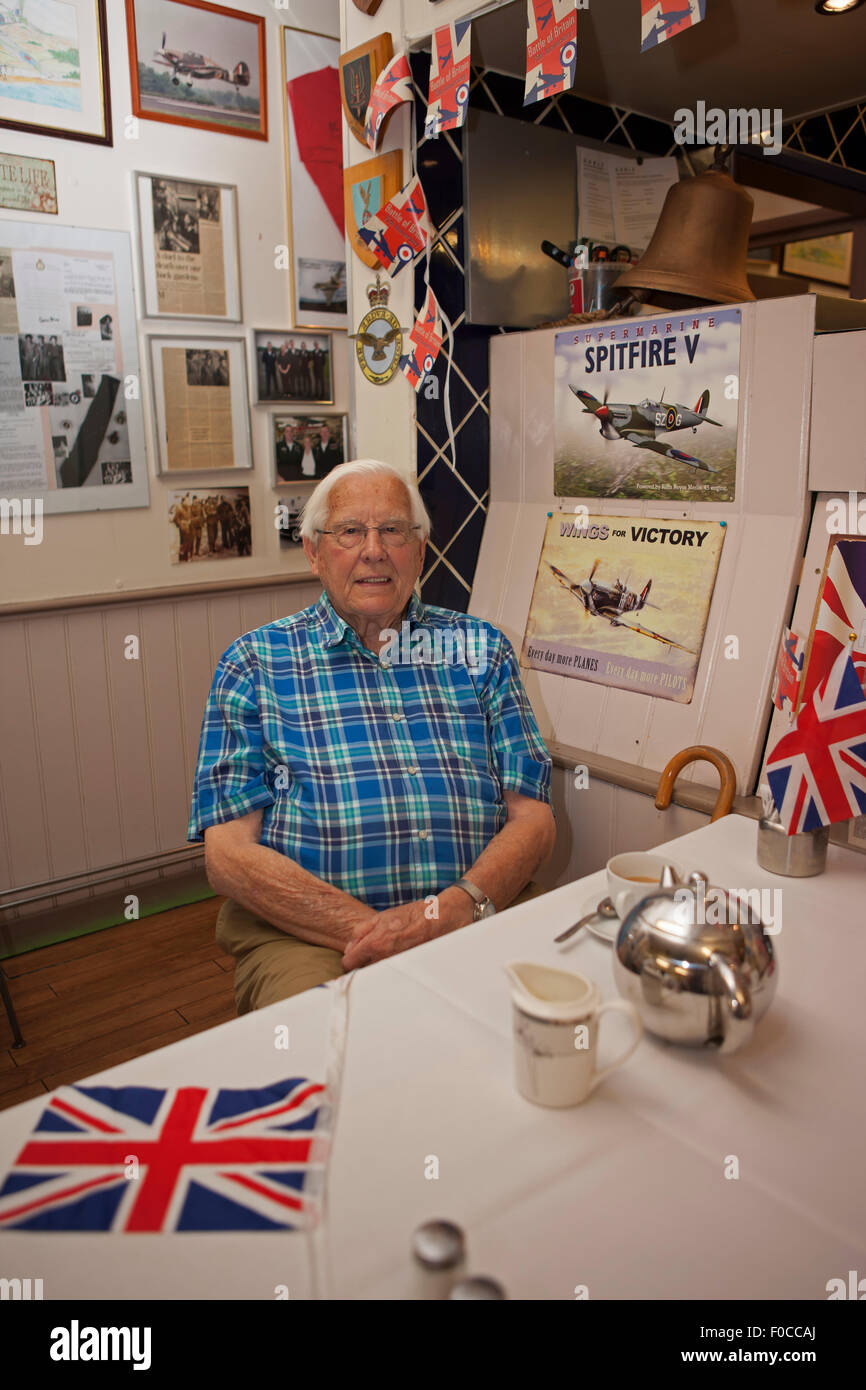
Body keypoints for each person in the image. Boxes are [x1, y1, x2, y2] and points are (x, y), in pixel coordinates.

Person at [189, 459, 555, 1014]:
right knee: (329, 1057)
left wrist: (454, 909)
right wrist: (382, 932)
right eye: (350, 532)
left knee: (558, 1022)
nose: (374, 550)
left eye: (393, 531)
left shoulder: (482, 651)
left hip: (477, 910)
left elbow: (534, 817)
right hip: (312, 938)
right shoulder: (254, 665)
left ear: (421, 549)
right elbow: (228, 856)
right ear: (314, 552)